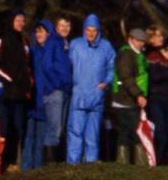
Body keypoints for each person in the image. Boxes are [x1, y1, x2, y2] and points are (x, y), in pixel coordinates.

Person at [65, 14, 116, 164]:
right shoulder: (75, 44)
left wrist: (106, 82)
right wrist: (70, 85)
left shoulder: (106, 46)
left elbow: (112, 68)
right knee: (75, 132)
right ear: (84, 30)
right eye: (88, 30)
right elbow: (66, 67)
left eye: (94, 30)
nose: (91, 33)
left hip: (96, 96)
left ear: (98, 30)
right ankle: (73, 165)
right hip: (78, 96)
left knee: (92, 135)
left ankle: (91, 165)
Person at [0, 9, 33, 171]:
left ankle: (15, 162)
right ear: (11, 21)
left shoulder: (24, 41)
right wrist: (10, 80)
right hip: (7, 93)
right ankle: (3, 161)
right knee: (6, 128)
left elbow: (27, 66)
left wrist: (28, 83)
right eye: (18, 20)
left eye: (23, 20)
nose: (21, 23)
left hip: (21, 94)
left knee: (19, 127)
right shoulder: (2, 38)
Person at [112, 27, 150, 165]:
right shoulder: (126, 55)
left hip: (128, 99)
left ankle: (123, 162)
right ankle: (140, 162)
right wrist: (139, 95)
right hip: (125, 99)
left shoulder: (137, 55)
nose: (141, 44)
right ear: (130, 40)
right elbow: (126, 77)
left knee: (125, 131)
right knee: (136, 131)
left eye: (143, 41)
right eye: (138, 41)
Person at [38, 17, 73, 162]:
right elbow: (46, 65)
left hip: (65, 90)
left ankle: (54, 161)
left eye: (67, 25)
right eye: (61, 25)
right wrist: (57, 83)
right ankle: (49, 163)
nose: (64, 28)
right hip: (55, 91)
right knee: (54, 128)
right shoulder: (52, 42)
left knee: (59, 128)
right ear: (56, 27)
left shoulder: (65, 44)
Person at [146, 37, 168, 164]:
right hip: (155, 100)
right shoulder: (155, 57)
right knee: (161, 135)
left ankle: (160, 163)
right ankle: (155, 162)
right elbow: (155, 76)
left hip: (167, 101)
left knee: (167, 134)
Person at [21, 21, 51, 169]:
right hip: (31, 101)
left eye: (42, 31)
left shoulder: (52, 52)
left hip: (45, 102)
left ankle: (38, 170)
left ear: (48, 34)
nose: (39, 35)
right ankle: (26, 168)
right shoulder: (31, 52)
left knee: (41, 139)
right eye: (37, 31)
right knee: (28, 137)